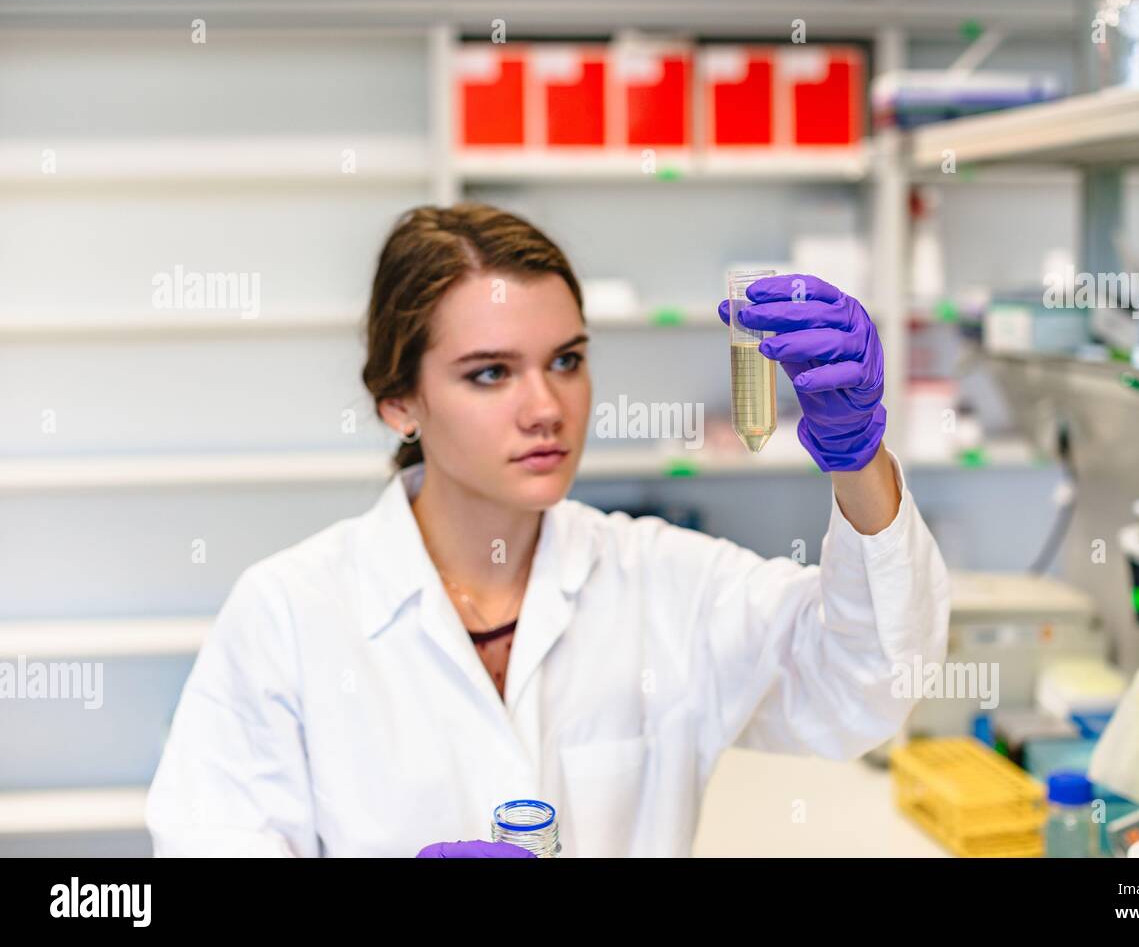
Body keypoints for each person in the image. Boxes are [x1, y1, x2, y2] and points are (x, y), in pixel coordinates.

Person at [145, 202, 950, 857]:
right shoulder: (288, 615)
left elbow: (867, 687)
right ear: (400, 403)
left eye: (565, 360)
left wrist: (858, 460)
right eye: (491, 373)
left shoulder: (661, 580)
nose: (545, 406)